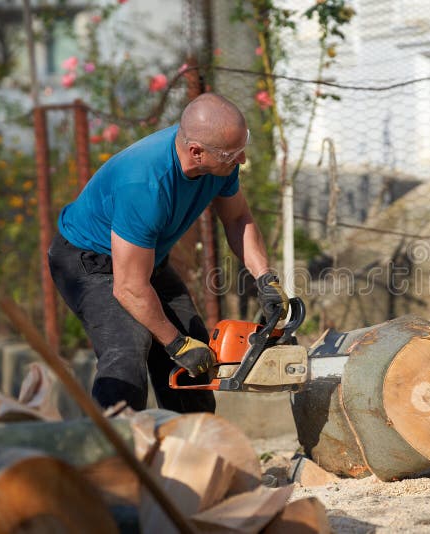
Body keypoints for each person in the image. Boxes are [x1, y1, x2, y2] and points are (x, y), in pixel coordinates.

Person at [48, 93, 288, 413]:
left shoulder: (220, 160)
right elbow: (129, 288)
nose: (241, 160)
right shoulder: (145, 185)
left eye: (242, 148)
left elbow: (237, 218)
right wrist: (175, 344)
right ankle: (113, 452)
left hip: (144, 259)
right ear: (196, 152)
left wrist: (265, 277)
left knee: (195, 344)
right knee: (128, 348)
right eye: (233, 154)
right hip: (89, 261)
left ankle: (193, 447)